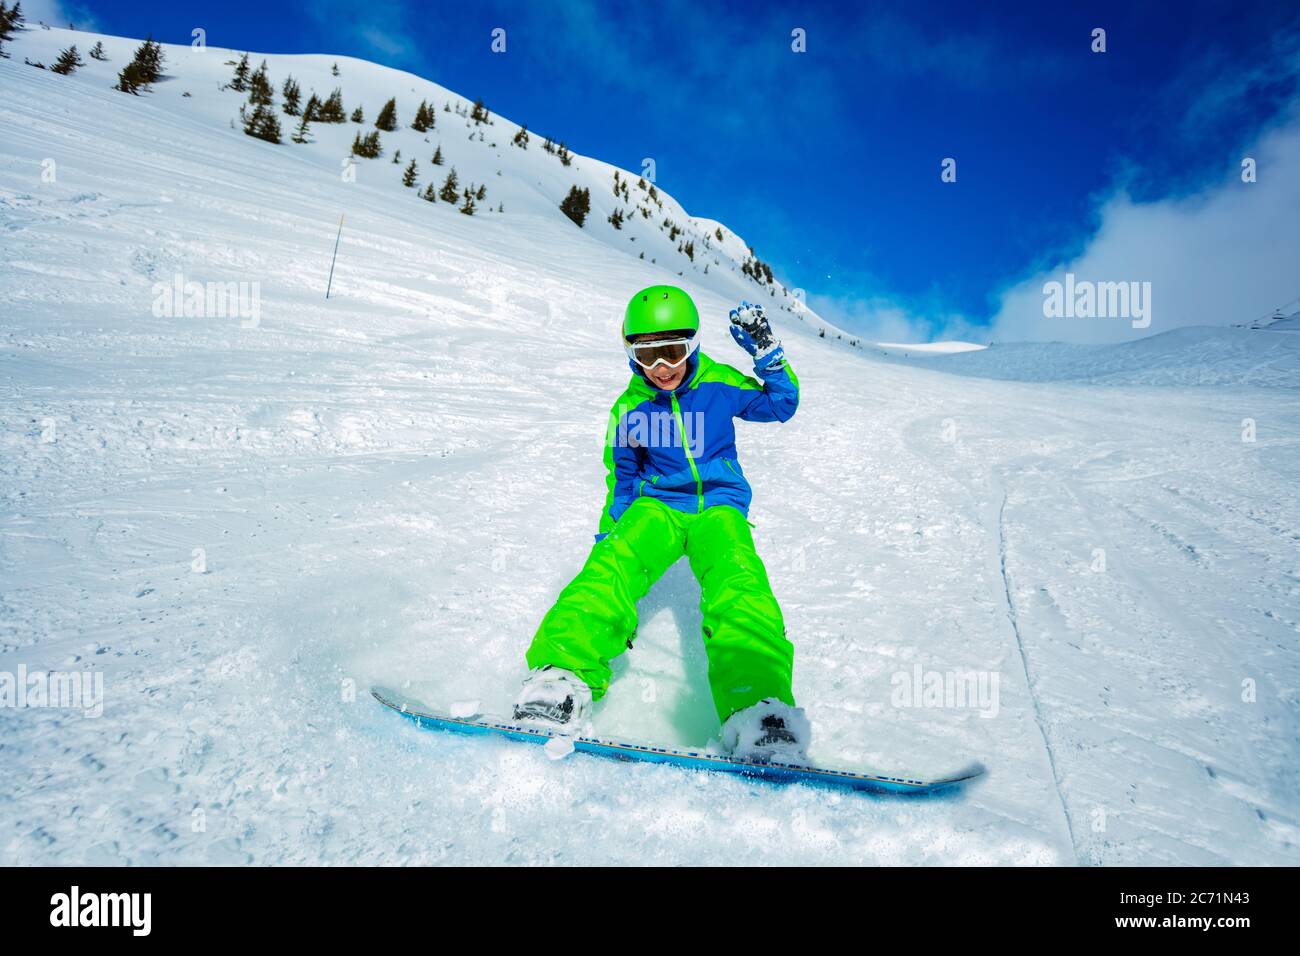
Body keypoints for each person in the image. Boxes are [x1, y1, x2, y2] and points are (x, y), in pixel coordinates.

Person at [514, 285, 809, 762]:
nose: (662, 367)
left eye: (672, 351)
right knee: (610, 569)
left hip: (718, 507)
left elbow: (781, 405)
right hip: (658, 507)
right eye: (647, 355)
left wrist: (767, 354)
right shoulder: (629, 410)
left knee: (739, 583)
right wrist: (611, 536)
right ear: (631, 355)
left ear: (692, 345)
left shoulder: (718, 384)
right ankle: (561, 674)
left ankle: (758, 707)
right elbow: (622, 481)